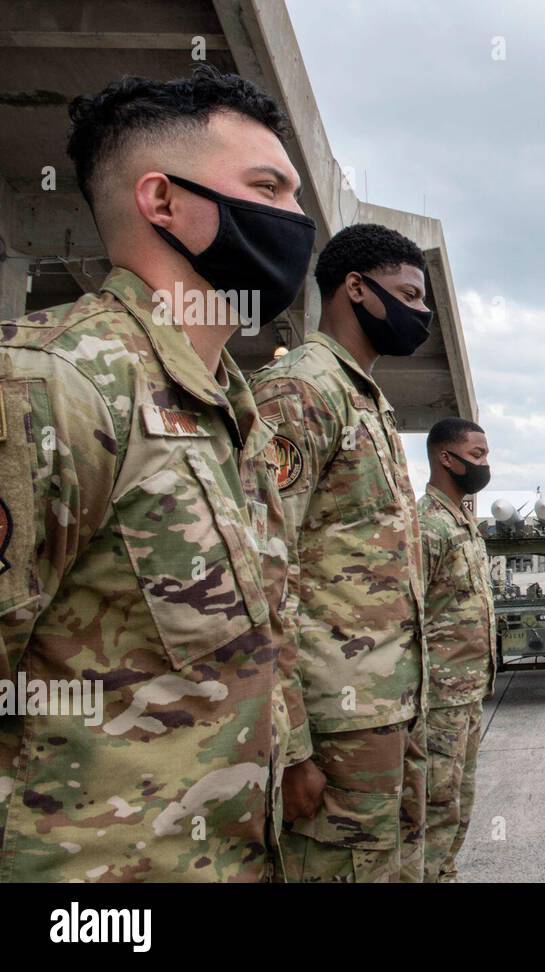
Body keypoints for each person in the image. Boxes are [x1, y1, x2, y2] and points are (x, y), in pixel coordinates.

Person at [0, 65, 313, 881]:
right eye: (268, 188)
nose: (295, 218)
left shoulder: (231, 415)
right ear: (162, 201)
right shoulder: (55, 385)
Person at [252, 224, 429, 882]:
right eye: (408, 294)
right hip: (332, 723)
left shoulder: (365, 399)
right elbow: (259, 571)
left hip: (385, 711)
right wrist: (291, 745)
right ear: (354, 288)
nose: (420, 314)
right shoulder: (300, 391)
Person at [419, 418, 496, 882]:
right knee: (434, 807)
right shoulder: (427, 524)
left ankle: (444, 874)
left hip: (465, 695)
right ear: (446, 458)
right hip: (438, 697)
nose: (485, 464)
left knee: (458, 805)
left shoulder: (462, 520)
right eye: (478, 455)